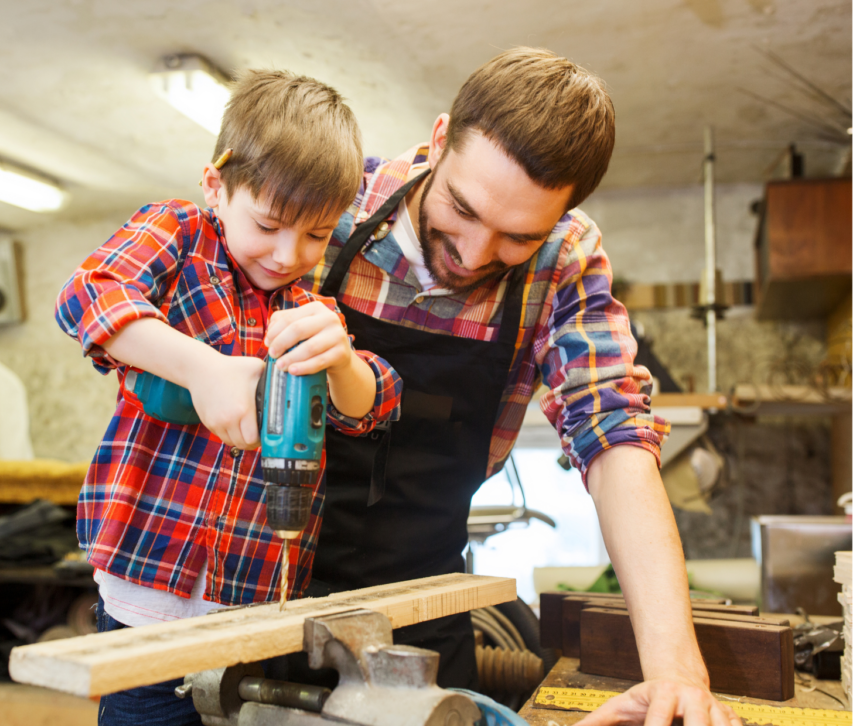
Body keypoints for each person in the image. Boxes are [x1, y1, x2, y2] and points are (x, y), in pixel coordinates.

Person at [296, 48, 742, 726]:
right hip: (262, 595)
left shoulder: (563, 256)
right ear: (440, 139)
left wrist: (676, 673)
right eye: (463, 208)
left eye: (516, 237)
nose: (473, 255)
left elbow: (614, 439)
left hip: (424, 612)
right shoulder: (324, 201)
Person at [55, 69, 401, 726]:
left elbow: (375, 404)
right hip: (146, 594)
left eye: (317, 235)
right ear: (217, 186)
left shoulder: (310, 313)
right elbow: (87, 295)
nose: (288, 254)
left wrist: (343, 362)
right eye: (268, 224)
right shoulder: (180, 234)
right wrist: (201, 369)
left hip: (254, 602)